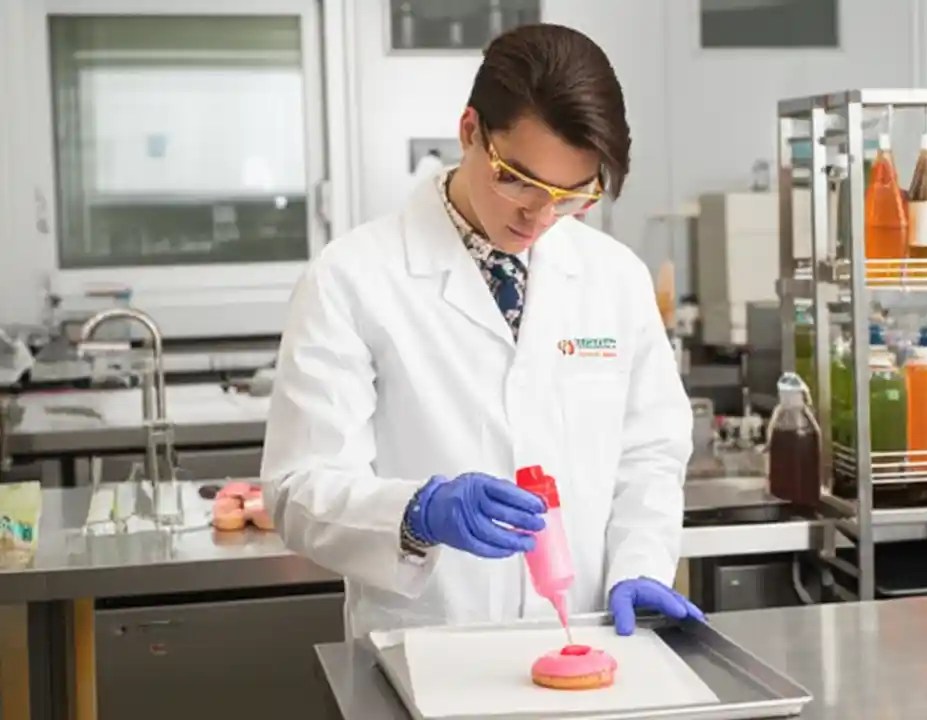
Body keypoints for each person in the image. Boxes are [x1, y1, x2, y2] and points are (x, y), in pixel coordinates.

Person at [261, 23, 700, 639]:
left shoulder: (614, 277)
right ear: (470, 132)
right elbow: (297, 488)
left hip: (590, 646)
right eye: (519, 180)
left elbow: (651, 451)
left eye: (573, 195)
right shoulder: (352, 278)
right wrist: (415, 515)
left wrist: (642, 563)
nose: (541, 216)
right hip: (423, 653)